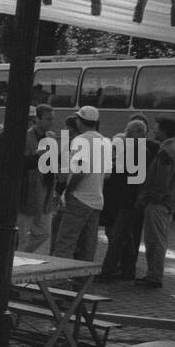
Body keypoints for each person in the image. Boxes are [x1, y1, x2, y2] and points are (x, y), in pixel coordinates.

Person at [50, 104, 107, 264]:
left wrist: (69, 190)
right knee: (88, 246)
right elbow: (107, 173)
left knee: (65, 243)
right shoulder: (104, 140)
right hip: (97, 200)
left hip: (79, 198)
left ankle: (60, 282)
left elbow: (80, 170)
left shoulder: (81, 139)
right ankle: (82, 281)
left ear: (81, 121)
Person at [97, 117, 151, 281]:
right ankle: (128, 270)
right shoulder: (139, 150)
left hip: (126, 199)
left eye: (129, 132)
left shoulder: (135, 151)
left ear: (137, 133)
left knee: (118, 237)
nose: (126, 135)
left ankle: (108, 271)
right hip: (128, 199)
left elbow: (123, 175)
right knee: (124, 236)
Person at [135, 117, 175, 288]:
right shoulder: (174, 149)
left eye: (156, 128)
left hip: (158, 204)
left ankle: (154, 276)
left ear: (164, 131)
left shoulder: (165, 152)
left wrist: (149, 199)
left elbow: (161, 181)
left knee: (154, 240)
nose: (154, 131)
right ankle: (153, 274)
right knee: (157, 239)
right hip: (165, 203)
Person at [18, 104, 57, 253]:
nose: (51, 122)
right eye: (48, 119)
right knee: (21, 234)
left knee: (44, 232)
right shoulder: (25, 137)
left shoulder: (51, 137)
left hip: (46, 190)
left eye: (52, 119)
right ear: (37, 119)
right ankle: (15, 262)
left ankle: (20, 255)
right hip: (28, 192)